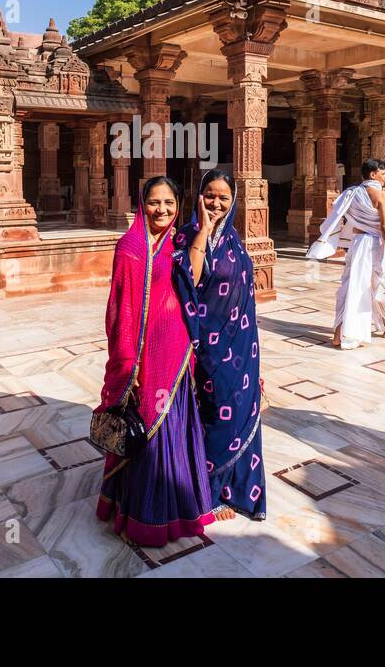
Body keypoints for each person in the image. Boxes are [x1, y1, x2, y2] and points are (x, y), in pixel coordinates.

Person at [95, 175, 214, 545]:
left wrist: (205, 232)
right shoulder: (129, 247)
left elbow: (193, 284)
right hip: (143, 361)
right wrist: (129, 362)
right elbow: (119, 309)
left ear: (178, 205)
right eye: (153, 202)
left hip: (176, 356)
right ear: (141, 204)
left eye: (169, 203)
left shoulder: (180, 243)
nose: (161, 210)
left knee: (174, 433)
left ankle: (178, 508)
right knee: (144, 431)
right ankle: (144, 516)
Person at [175, 169, 267, 523]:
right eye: (209, 195)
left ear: (234, 202)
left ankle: (240, 490)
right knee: (212, 416)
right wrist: (202, 231)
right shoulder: (186, 237)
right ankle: (207, 492)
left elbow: (247, 301)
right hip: (204, 347)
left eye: (223, 197)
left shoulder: (235, 242)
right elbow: (191, 279)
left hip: (242, 348)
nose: (215, 203)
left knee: (243, 414)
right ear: (198, 196)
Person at [308, 158, 385, 348]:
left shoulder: (351, 193)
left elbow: (339, 217)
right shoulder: (381, 196)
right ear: (372, 174)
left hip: (357, 243)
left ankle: (340, 333)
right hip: (374, 244)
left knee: (350, 286)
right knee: (382, 283)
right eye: (383, 173)